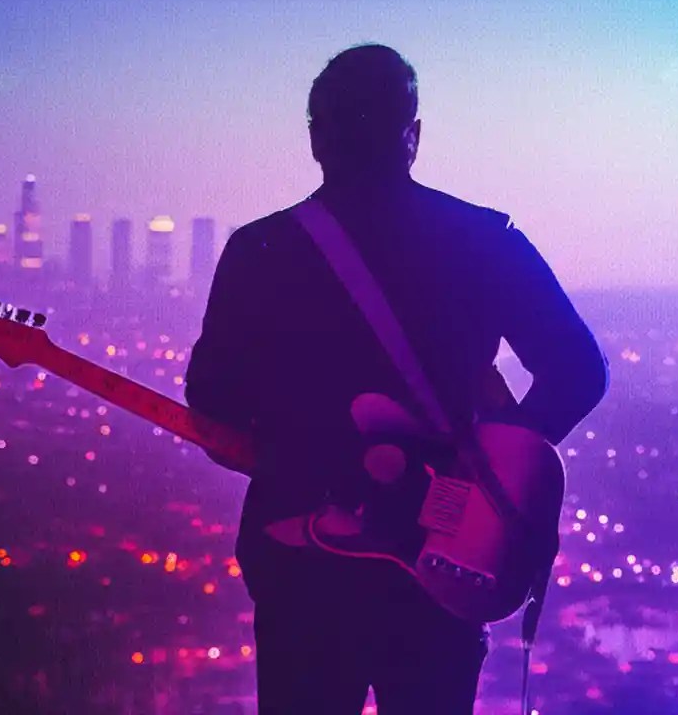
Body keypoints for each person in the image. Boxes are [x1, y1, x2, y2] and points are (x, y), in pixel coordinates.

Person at [185, 43, 609, 715]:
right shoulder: (486, 240)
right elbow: (579, 372)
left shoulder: (261, 251)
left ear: (316, 138)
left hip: (305, 567)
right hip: (440, 569)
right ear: (411, 135)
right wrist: (478, 476)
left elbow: (212, 408)